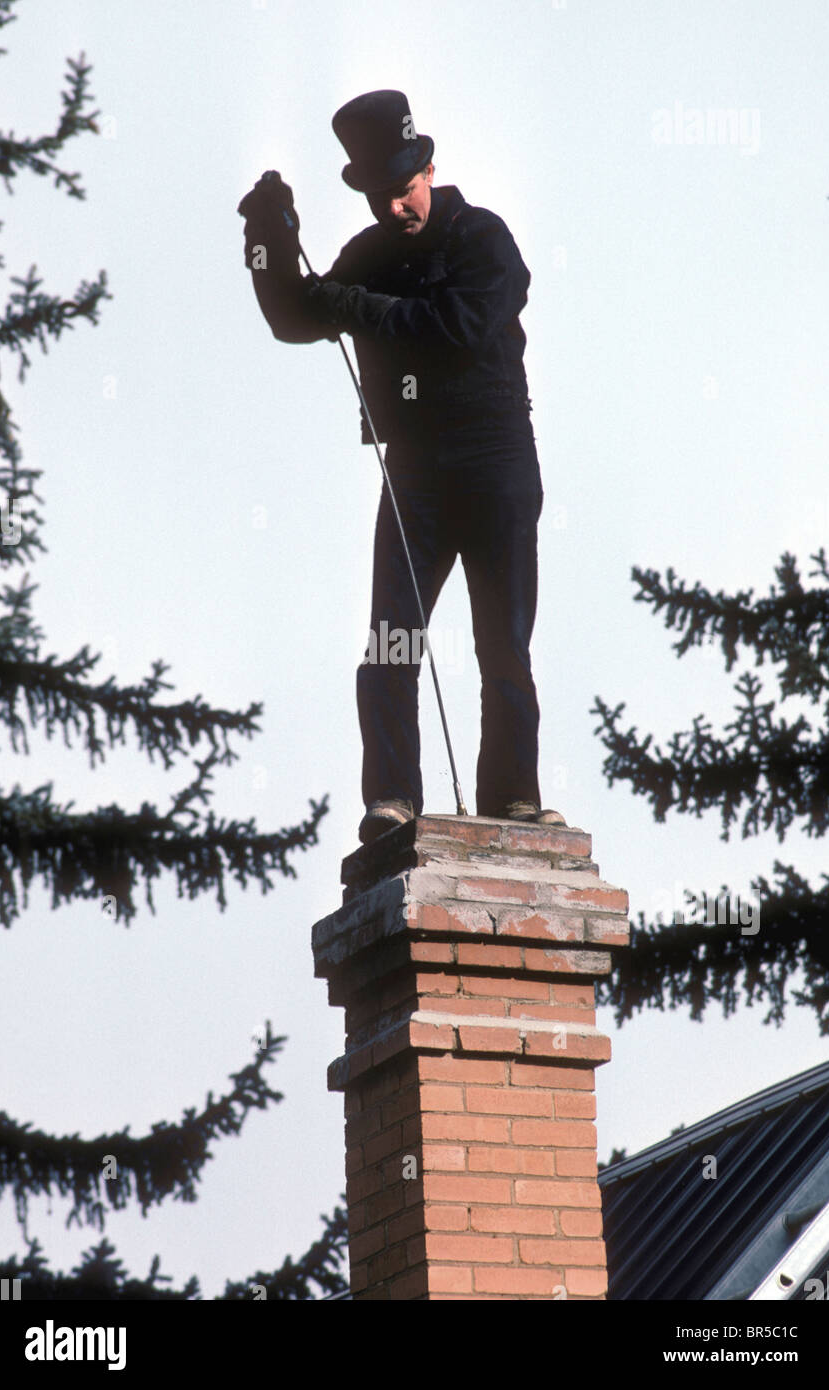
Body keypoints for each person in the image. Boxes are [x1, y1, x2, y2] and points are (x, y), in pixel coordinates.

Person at [239, 89, 563, 845]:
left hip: (497, 463)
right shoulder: (372, 255)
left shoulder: (484, 239)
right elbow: (295, 315)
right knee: (391, 644)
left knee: (503, 644)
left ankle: (512, 800)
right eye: (380, 196)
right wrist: (267, 240)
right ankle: (392, 800)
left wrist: (357, 306)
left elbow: (455, 327)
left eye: (403, 190)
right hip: (414, 470)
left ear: (427, 169)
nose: (394, 208)